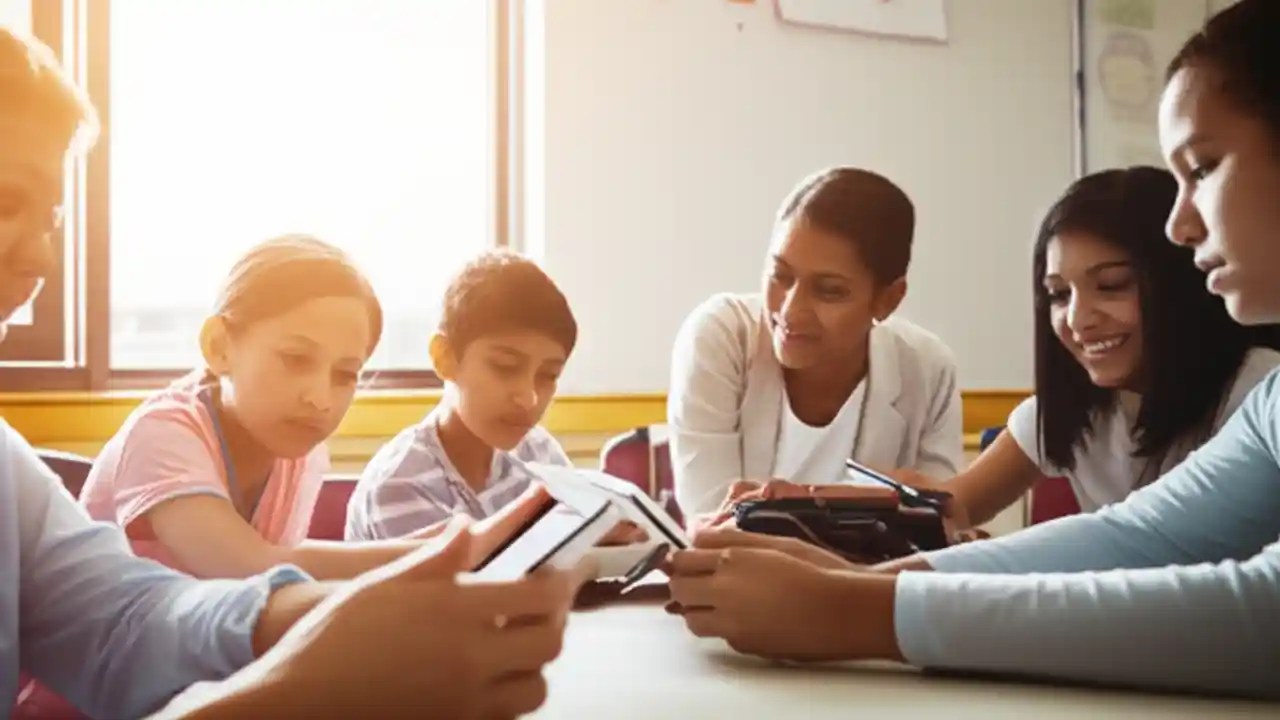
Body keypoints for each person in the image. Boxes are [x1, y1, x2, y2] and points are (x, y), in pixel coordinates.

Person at [665, 0, 1280, 700]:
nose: (1180, 224)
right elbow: (1135, 538)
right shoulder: (1271, 405)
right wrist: (848, 581)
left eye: (1202, 167)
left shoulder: (1252, 382)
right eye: (1056, 293)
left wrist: (850, 610)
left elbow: (1259, 611)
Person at [1, 25, 579, 718]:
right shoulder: (168, 429)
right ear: (219, 346)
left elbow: (125, 622)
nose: (40, 258)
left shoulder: (9, 464)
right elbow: (237, 569)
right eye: (8, 203)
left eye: (53, 219)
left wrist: (372, 607)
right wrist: (296, 677)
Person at [895, 166, 1280, 529]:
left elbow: (1163, 545)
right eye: (1059, 294)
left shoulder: (1259, 390)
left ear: (1181, 283)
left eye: (1111, 285)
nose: (1079, 319)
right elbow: (957, 503)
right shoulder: (1068, 409)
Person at [79, 235, 447, 580]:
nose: (321, 399)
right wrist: (436, 551)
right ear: (219, 346)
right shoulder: (162, 434)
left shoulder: (301, 453)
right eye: (295, 359)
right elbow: (249, 570)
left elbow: (268, 587)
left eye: (346, 374)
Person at [668, 167, 963, 519]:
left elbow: (941, 526)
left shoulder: (928, 369)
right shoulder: (720, 337)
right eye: (780, 275)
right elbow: (712, 525)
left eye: (829, 291)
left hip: (874, 576)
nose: (791, 311)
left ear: (888, 299)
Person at [346, 251, 578, 541]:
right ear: (444, 358)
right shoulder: (401, 483)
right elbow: (474, 587)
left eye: (548, 376)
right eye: (505, 367)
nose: (529, 398)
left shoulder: (539, 451)